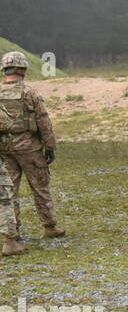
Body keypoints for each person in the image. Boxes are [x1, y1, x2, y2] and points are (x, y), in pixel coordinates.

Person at [0, 51, 64, 243]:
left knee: (8, 193)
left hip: (5, 149)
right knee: (40, 187)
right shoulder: (30, 93)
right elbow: (43, 121)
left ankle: (13, 232)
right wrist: (50, 147)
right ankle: (50, 226)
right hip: (30, 149)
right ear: (23, 69)